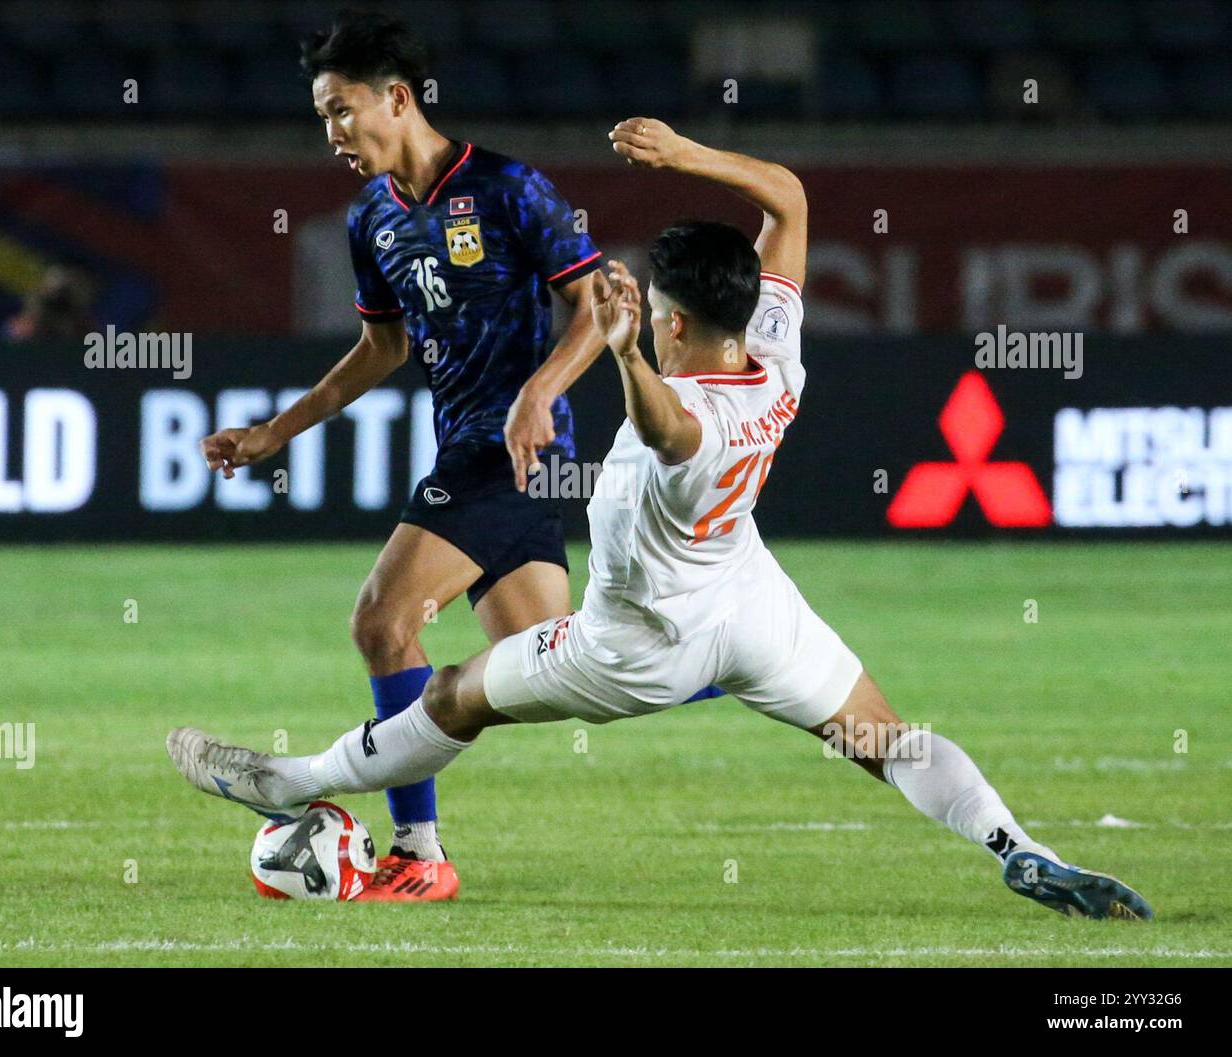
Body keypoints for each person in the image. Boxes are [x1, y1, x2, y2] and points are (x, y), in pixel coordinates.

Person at [173, 119, 1152, 921]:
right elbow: (790, 198)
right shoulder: (773, 352)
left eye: (655, 315)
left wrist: (623, 352)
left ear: (674, 324)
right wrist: (688, 156)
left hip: (640, 642)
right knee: (884, 739)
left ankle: (297, 778)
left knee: (458, 692)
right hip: (751, 604)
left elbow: (673, 427)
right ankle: (1019, 849)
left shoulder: (688, 411)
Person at [195, 11, 609, 901]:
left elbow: (602, 309)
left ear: (398, 96)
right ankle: (728, 656)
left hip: (507, 451)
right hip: (469, 445)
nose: (333, 135)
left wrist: (539, 393)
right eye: (322, 119)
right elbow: (381, 349)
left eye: (343, 111)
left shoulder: (509, 188)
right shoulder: (370, 218)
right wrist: (279, 430)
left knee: (383, 623)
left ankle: (417, 851)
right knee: (551, 671)